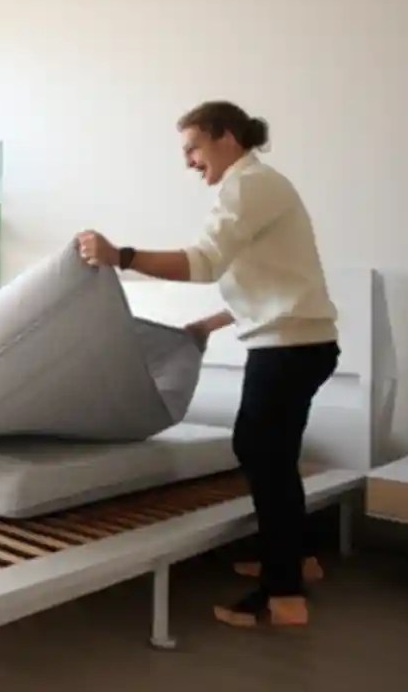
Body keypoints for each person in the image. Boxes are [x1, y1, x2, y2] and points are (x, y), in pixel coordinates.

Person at [74, 100, 340, 628]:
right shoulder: (258, 189)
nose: (189, 161)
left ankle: (282, 595)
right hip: (298, 344)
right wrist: (204, 328)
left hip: (288, 349)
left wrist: (119, 255)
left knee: (260, 455)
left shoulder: (249, 186)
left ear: (225, 137)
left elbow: (203, 262)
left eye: (192, 147)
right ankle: (296, 559)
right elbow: (267, 284)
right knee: (274, 457)